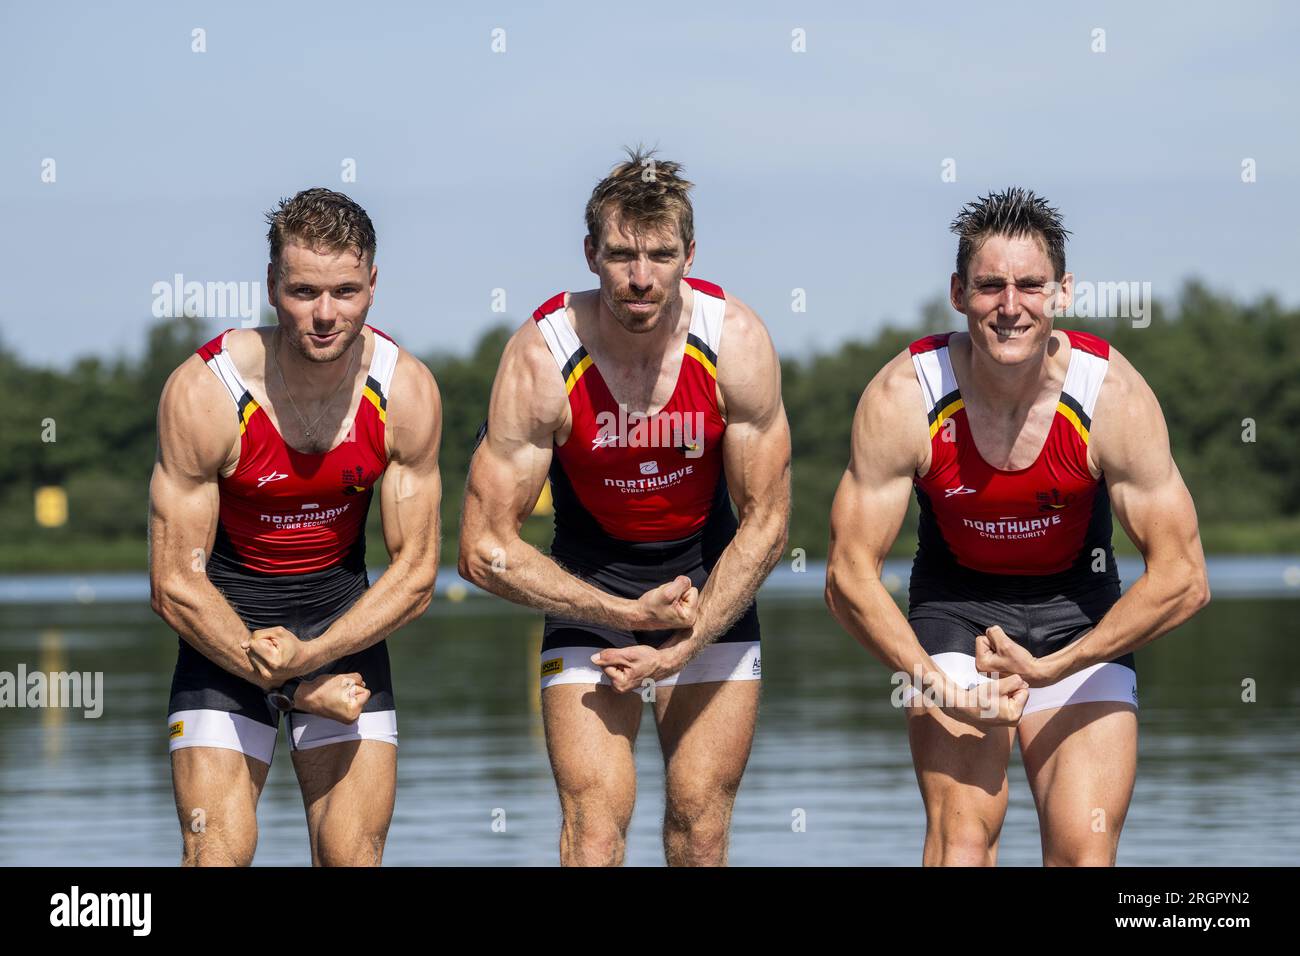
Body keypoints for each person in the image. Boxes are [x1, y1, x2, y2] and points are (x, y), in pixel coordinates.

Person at [825, 186, 1209, 866]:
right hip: (954, 615)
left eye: (1030, 285)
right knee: (962, 847)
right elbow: (846, 578)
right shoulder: (904, 397)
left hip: (1077, 619)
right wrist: (934, 681)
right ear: (957, 291)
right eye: (990, 286)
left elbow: (1184, 579)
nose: (1010, 307)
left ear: (1062, 291)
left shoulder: (1111, 396)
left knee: (1082, 853)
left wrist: (1055, 667)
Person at [459, 150, 790, 866]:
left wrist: (686, 637)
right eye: (621, 254)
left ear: (690, 255)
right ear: (590, 254)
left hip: (708, 589)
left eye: (661, 255)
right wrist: (626, 616)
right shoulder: (542, 357)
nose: (641, 277)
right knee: (594, 833)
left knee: (698, 828)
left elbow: (766, 525)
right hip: (590, 592)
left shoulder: (735, 342)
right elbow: (483, 549)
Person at [149, 188, 442, 865]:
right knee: (217, 851)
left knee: (349, 854)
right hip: (223, 628)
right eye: (304, 291)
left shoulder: (405, 392)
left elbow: (417, 575)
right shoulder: (205, 393)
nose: (324, 314)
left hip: (344, 629)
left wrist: (312, 658)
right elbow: (173, 585)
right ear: (272, 286)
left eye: (344, 291)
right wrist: (293, 685)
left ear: (372, 286)